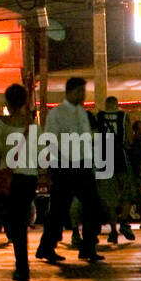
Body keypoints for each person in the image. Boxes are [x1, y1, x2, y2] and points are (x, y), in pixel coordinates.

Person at [35, 78, 105, 263]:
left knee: (92, 206)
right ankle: (48, 247)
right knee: (59, 209)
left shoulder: (82, 113)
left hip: (82, 165)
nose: (83, 95)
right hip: (65, 166)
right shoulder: (56, 114)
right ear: (70, 92)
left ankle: (87, 246)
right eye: (80, 91)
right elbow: (50, 140)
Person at [0, 84, 41, 281]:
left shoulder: (0, 124)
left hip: (9, 178)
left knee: (14, 222)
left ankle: (22, 266)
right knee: (20, 221)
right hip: (29, 177)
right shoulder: (33, 125)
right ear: (25, 102)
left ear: (7, 102)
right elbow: (41, 151)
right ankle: (22, 265)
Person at [94, 95, 135, 242]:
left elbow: (94, 137)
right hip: (120, 156)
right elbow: (130, 138)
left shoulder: (99, 116)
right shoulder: (123, 116)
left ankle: (113, 230)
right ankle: (124, 221)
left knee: (109, 196)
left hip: (104, 158)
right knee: (127, 192)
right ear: (116, 105)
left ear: (106, 105)